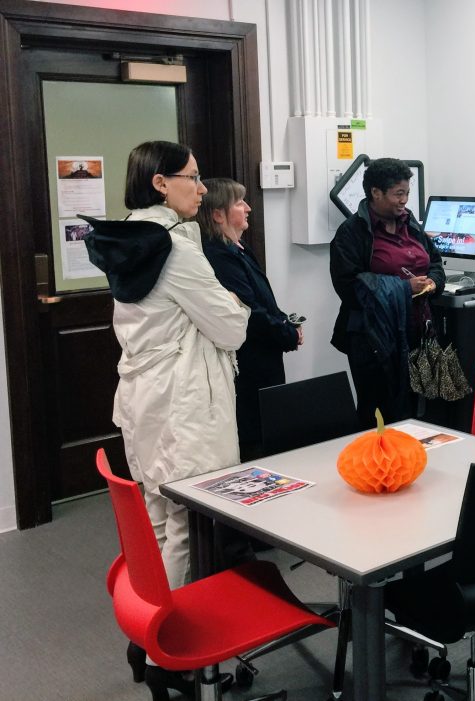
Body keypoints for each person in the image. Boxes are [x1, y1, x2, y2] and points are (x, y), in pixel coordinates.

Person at [84, 141, 249, 697]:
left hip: (144, 400)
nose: (203, 191)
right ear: (160, 182)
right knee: (185, 526)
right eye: (193, 179)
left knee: (156, 520)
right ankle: (172, 657)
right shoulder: (176, 248)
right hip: (183, 406)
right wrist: (235, 305)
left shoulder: (127, 239)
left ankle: (146, 636)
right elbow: (230, 328)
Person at [330, 157, 445, 428]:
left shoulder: (411, 224)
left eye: (406, 192)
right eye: (398, 194)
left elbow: (435, 263)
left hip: (418, 331)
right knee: (380, 415)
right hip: (373, 338)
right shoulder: (351, 233)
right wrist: (405, 288)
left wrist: (433, 283)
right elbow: (349, 287)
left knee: (422, 412)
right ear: (376, 193)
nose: (404, 200)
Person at [197, 178, 302, 461]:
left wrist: (284, 322)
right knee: (255, 439)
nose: (248, 208)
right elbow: (248, 312)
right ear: (218, 214)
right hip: (249, 361)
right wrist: (286, 334)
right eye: (239, 203)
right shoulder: (218, 255)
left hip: (264, 357)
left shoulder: (237, 247)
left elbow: (262, 299)